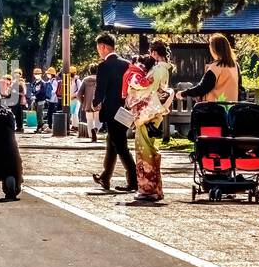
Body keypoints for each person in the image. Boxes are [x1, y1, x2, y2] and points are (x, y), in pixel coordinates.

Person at [91, 33, 137, 192]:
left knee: (120, 146)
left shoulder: (104, 66)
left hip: (111, 110)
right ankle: (105, 177)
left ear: (103, 47)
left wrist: (96, 103)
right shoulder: (127, 64)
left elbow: (100, 88)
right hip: (125, 110)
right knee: (112, 143)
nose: (99, 51)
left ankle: (134, 180)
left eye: (98, 48)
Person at [129, 41, 174, 202]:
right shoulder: (164, 69)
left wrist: (132, 86)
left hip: (148, 112)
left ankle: (148, 189)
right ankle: (156, 188)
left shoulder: (157, 69)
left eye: (151, 53)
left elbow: (148, 89)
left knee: (144, 149)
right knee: (151, 148)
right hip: (155, 113)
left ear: (154, 53)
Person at [184, 32, 240, 104]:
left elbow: (203, 88)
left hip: (214, 109)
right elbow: (239, 88)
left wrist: (184, 93)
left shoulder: (215, 67)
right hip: (231, 109)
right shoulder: (235, 66)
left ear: (214, 49)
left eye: (210, 46)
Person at [78, 65, 99, 141]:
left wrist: (83, 102)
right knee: (98, 120)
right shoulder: (100, 79)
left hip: (87, 104)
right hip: (98, 104)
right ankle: (96, 130)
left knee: (89, 120)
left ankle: (91, 137)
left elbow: (79, 94)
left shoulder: (85, 80)